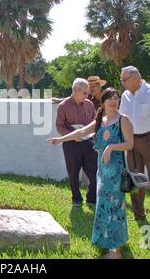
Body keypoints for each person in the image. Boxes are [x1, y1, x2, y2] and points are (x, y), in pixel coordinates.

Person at [48, 88, 134, 259]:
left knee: (115, 205)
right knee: (103, 204)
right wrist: (60, 139)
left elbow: (130, 144)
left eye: (116, 98)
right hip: (102, 170)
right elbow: (80, 132)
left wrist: (112, 147)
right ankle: (108, 241)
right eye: (109, 98)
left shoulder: (123, 120)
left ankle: (115, 251)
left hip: (116, 170)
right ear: (102, 103)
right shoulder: (100, 122)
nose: (113, 101)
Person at [119, 66, 150, 220]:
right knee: (134, 178)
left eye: (124, 80)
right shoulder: (125, 95)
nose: (122, 83)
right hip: (131, 141)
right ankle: (139, 214)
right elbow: (122, 118)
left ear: (135, 78)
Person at [55, 78, 97, 207]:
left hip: (89, 143)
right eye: (84, 93)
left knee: (94, 172)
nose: (87, 95)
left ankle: (91, 198)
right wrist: (72, 136)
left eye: (88, 93)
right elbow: (59, 126)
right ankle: (76, 199)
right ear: (75, 91)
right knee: (73, 172)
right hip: (71, 144)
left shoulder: (90, 104)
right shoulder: (63, 106)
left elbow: (96, 122)